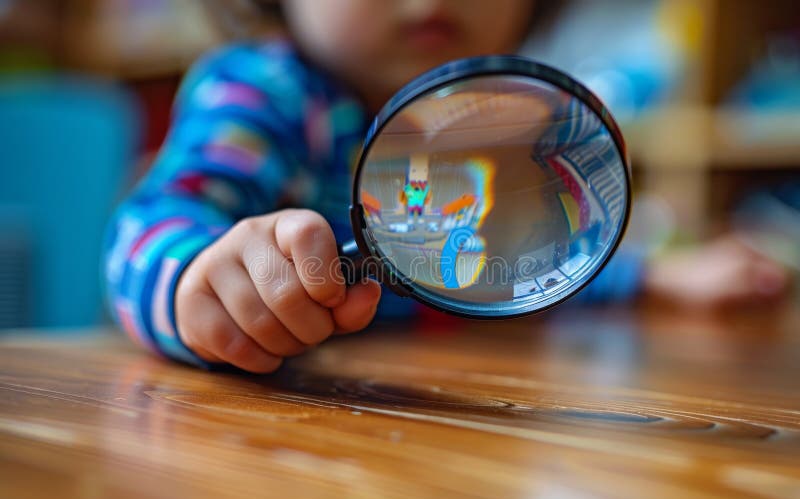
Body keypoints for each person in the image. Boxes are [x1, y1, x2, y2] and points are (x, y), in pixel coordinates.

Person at [103, 0, 789, 374]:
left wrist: (651, 279)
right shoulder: (260, 90)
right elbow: (152, 228)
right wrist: (196, 278)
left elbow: (515, 266)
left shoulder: (506, 113)